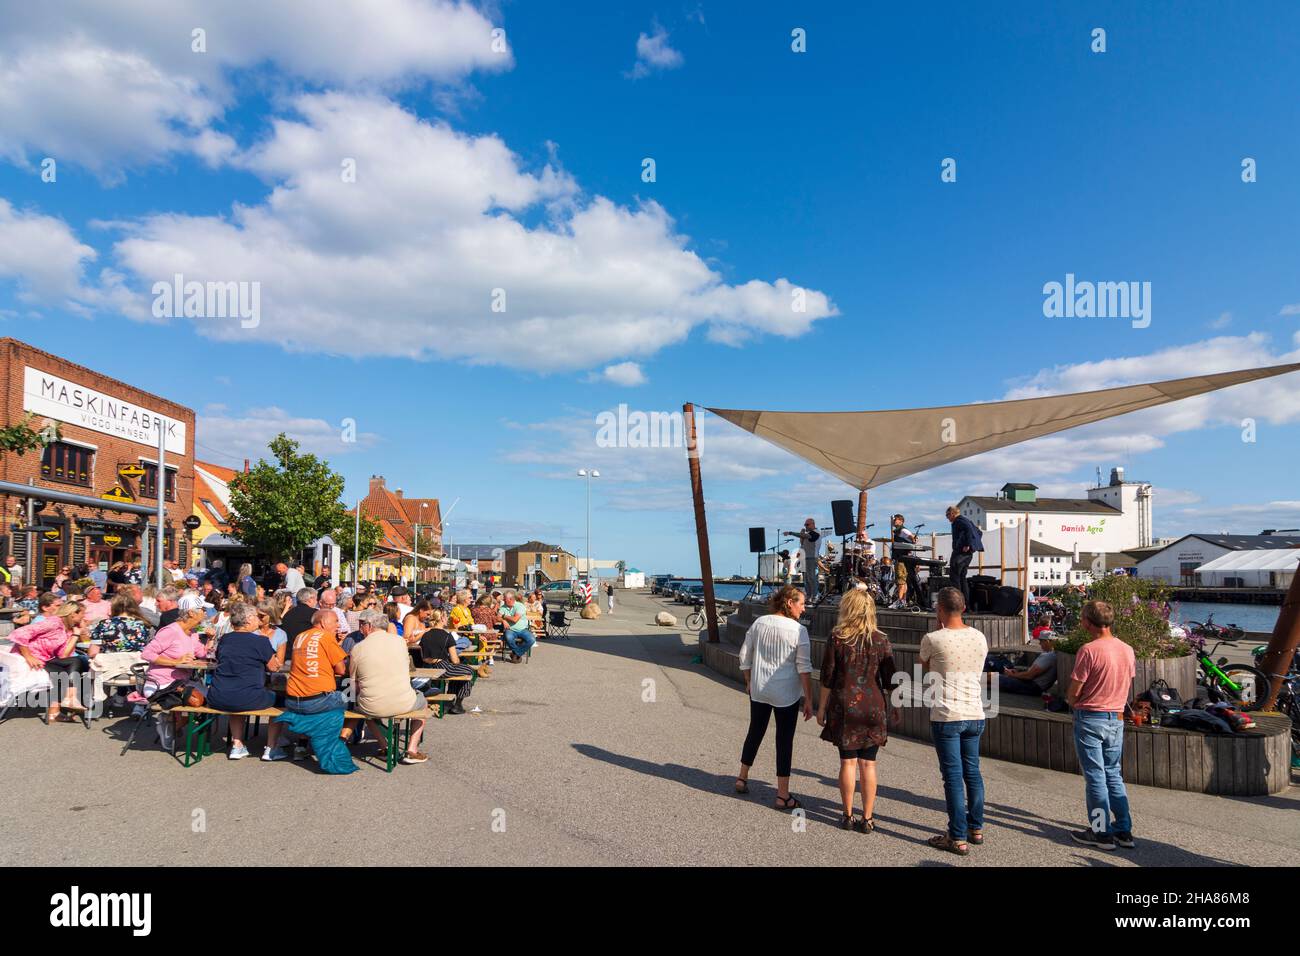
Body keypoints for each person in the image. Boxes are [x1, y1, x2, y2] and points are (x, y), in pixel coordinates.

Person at [817, 588, 898, 832]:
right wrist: (894, 707)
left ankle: (847, 815)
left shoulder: (838, 637)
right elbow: (890, 678)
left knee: (848, 763)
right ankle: (868, 818)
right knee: (869, 765)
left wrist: (821, 708)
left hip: (845, 706)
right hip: (873, 707)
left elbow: (827, 676)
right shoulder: (881, 639)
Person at [918, 587, 988, 855]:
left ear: (940, 610)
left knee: (953, 778)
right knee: (973, 773)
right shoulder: (979, 637)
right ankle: (976, 828)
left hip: (947, 715)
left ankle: (957, 837)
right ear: (964, 608)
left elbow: (924, 665)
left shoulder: (933, 639)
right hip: (975, 713)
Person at [734, 584, 813, 810]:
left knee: (755, 730)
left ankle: (742, 776)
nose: (804, 609)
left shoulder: (760, 622)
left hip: (759, 688)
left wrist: (749, 680)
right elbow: (804, 667)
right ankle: (782, 794)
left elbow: (744, 655)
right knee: (784, 739)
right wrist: (809, 698)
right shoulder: (799, 630)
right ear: (790, 603)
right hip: (786, 693)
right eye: (802, 603)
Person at [1066, 600, 1136, 850]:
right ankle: (1123, 829)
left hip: (1091, 716)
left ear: (1088, 621)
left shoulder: (1089, 650)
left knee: (1095, 777)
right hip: (1116, 717)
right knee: (1113, 774)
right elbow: (1128, 681)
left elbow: (1075, 689)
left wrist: (1072, 701)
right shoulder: (1127, 649)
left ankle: (1100, 832)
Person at [347, 610, 429, 764]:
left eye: (361, 625)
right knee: (423, 703)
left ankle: (385, 746)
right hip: (404, 702)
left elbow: (353, 684)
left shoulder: (357, 649)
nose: (359, 629)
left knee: (363, 708)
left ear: (369, 626)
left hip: (372, 705)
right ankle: (411, 749)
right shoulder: (399, 642)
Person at [206, 602, 286, 759]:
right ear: (248, 620)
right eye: (257, 617)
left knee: (237, 693)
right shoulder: (260, 641)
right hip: (249, 697)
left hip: (218, 696)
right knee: (281, 700)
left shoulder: (225, 639)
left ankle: (237, 745)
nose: (259, 620)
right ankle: (271, 747)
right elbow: (274, 668)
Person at [8, 602, 94, 722]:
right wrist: (28, 656)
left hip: (44, 660)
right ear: (73, 614)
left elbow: (63, 655)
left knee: (77, 661)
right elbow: (19, 633)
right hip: (26, 659)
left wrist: (75, 634)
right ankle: (60, 706)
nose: (84, 618)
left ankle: (64, 703)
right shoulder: (53, 622)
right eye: (82, 615)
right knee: (65, 670)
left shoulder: (66, 629)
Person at [140, 607, 209, 750]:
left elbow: (201, 653)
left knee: (212, 699)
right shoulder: (170, 631)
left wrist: (211, 639)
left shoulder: (193, 632)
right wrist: (175, 661)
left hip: (183, 682)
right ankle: (170, 724)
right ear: (191, 613)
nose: (206, 614)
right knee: (197, 702)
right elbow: (147, 654)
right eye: (203, 610)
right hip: (161, 685)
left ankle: (171, 722)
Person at [418, 608, 475, 714]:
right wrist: (458, 662)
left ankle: (449, 702)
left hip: (428, 666)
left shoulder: (425, 635)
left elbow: (423, 657)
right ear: (442, 619)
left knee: (458, 673)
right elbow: (454, 660)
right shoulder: (447, 636)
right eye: (446, 617)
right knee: (470, 671)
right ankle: (457, 704)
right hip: (443, 666)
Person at [995, 628, 1058, 696]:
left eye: (1041, 641)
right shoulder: (1052, 655)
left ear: (1047, 641)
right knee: (995, 681)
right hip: (1033, 685)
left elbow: (1029, 676)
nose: (1039, 643)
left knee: (993, 677)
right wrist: (1018, 672)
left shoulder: (1049, 656)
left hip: (1031, 686)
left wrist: (1012, 675)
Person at [946, 505, 984, 608]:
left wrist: (967, 544)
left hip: (960, 553)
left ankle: (957, 603)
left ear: (953, 514)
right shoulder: (967, 520)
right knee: (962, 577)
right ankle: (965, 604)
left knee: (954, 576)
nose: (947, 518)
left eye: (948, 515)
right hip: (968, 554)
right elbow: (979, 532)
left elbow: (968, 530)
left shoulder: (958, 521)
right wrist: (972, 546)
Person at [790, 518, 822, 603]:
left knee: (812, 578)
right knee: (806, 579)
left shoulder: (816, 532)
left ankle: (815, 596)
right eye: (805, 525)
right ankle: (808, 596)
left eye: (807, 525)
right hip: (805, 558)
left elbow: (806, 537)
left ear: (813, 524)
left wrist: (792, 533)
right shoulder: (807, 534)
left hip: (812, 558)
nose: (806, 526)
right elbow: (803, 544)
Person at [890, 514, 919, 606]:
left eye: (896, 520)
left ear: (901, 521)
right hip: (901, 558)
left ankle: (900, 601)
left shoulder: (902, 530)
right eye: (894, 520)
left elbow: (912, 537)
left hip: (902, 559)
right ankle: (903, 601)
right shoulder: (898, 531)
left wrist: (913, 539)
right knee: (903, 581)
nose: (894, 521)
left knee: (900, 581)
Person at [498, 590, 535, 662]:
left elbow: (515, 619)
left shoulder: (520, 606)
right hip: (510, 629)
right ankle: (518, 653)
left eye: (505, 599)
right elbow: (497, 617)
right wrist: (503, 620)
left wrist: (504, 616)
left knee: (532, 640)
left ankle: (515, 653)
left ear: (511, 599)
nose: (503, 600)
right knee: (508, 637)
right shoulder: (503, 607)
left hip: (523, 629)